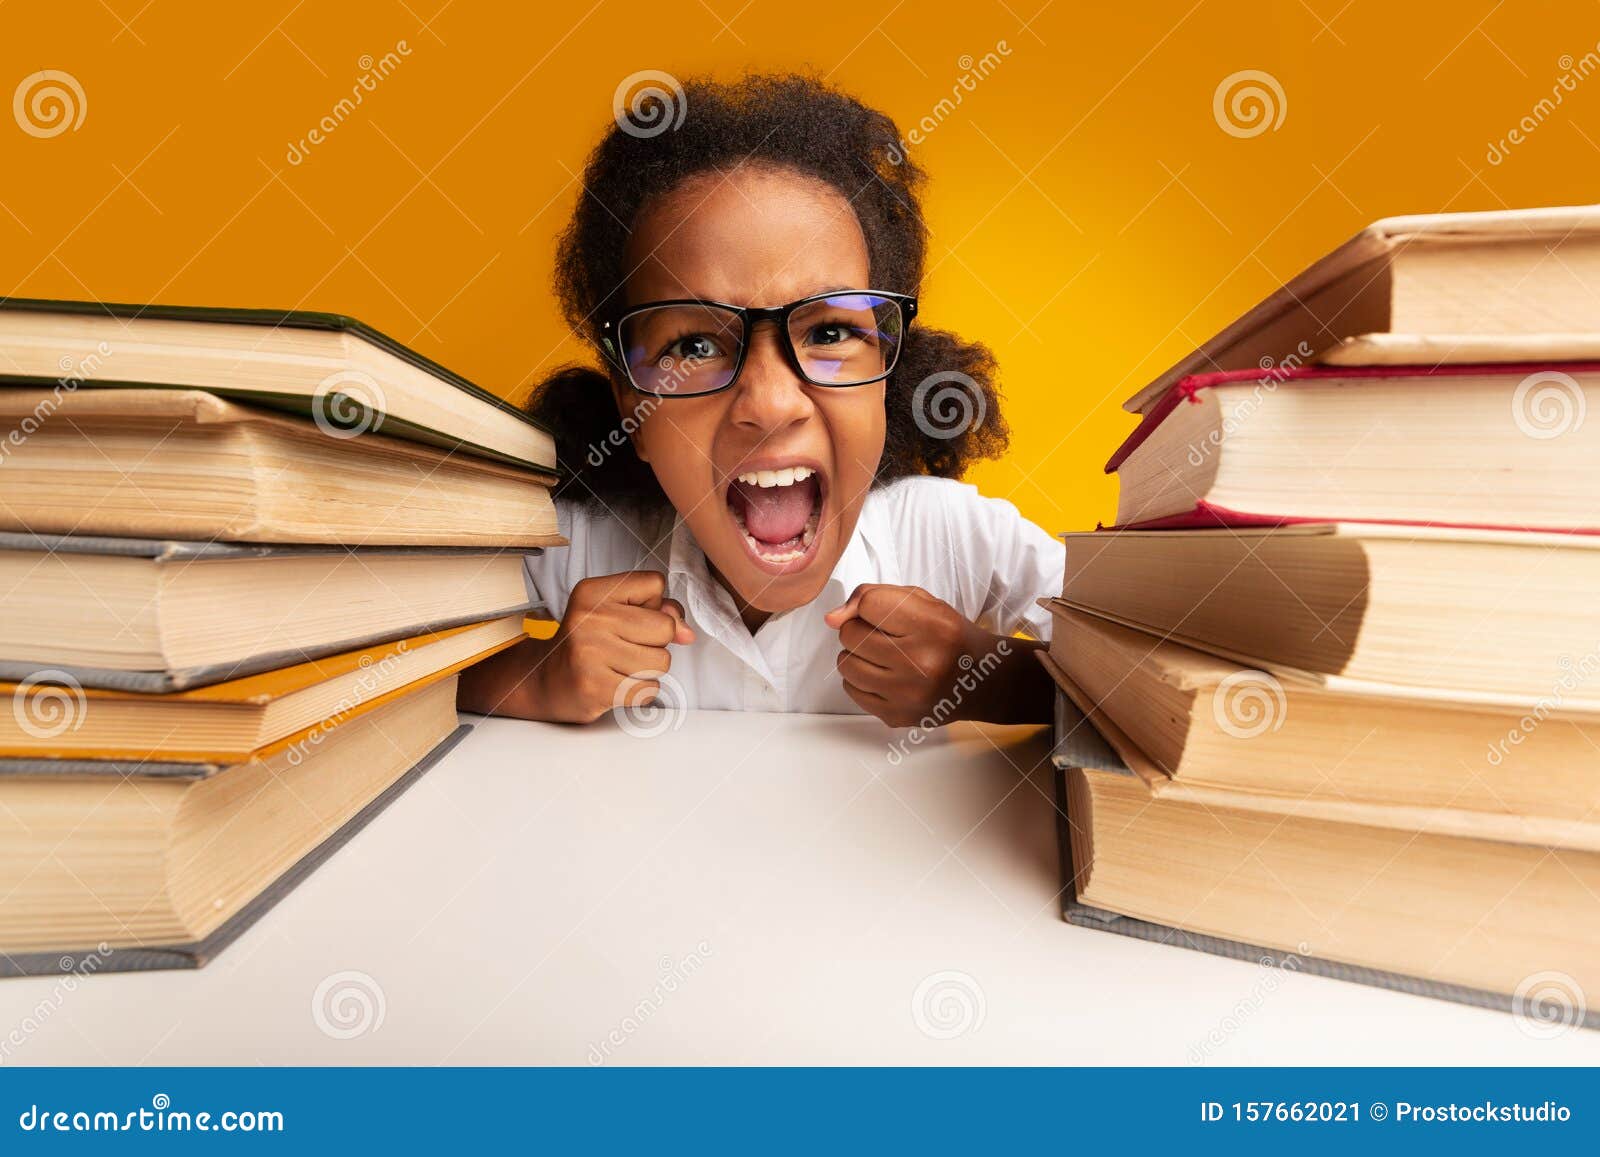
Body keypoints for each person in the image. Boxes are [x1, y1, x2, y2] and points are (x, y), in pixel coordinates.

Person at [459, 74, 1064, 726]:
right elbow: (387, 667)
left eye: (830, 332)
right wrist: (540, 680)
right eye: (693, 345)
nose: (772, 403)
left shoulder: (953, 539)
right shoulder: (577, 542)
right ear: (631, 402)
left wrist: (985, 678)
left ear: (886, 375)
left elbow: (1166, 681)